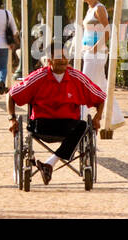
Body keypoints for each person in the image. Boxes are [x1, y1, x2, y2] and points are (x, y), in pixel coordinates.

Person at [8, 44, 106, 185]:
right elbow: (11, 95)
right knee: (80, 127)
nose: (63, 60)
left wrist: (97, 118)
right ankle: (49, 164)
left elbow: (100, 98)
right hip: (42, 125)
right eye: (59, 57)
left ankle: (49, 164)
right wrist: (11, 119)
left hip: (68, 126)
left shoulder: (77, 78)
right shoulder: (38, 77)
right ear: (49, 60)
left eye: (65, 57)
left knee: (83, 126)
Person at [78, 0, 124, 127]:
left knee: (85, 84)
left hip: (96, 54)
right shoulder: (90, 9)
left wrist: (96, 48)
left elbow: (107, 30)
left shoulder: (99, 8)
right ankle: (116, 118)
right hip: (89, 52)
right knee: (103, 86)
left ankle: (81, 116)